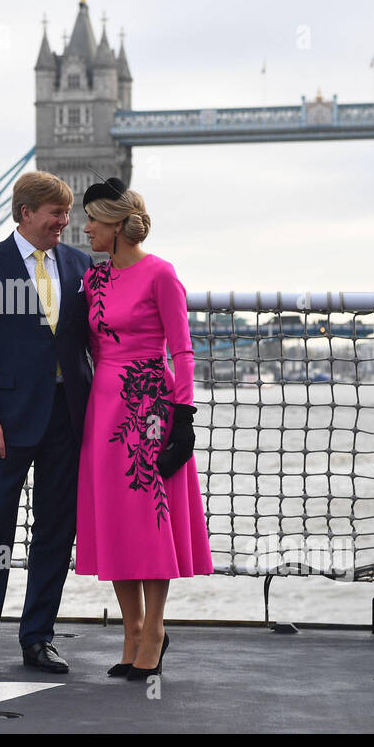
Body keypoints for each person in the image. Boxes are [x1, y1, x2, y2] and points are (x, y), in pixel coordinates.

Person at [0, 171, 94, 678]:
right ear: (26, 212)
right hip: (4, 422)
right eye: (55, 213)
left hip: (68, 420)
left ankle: (38, 638)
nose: (64, 221)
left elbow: (95, 342)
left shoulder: (80, 264)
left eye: (67, 213)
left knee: (56, 530)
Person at [76, 176, 213, 680]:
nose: (84, 227)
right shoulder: (93, 279)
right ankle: (130, 628)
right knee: (114, 516)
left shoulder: (161, 274)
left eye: (92, 219)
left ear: (114, 225)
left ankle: (154, 628)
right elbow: (88, 347)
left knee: (151, 518)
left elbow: (182, 349)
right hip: (104, 406)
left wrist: (183, 417)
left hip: (152, 405)